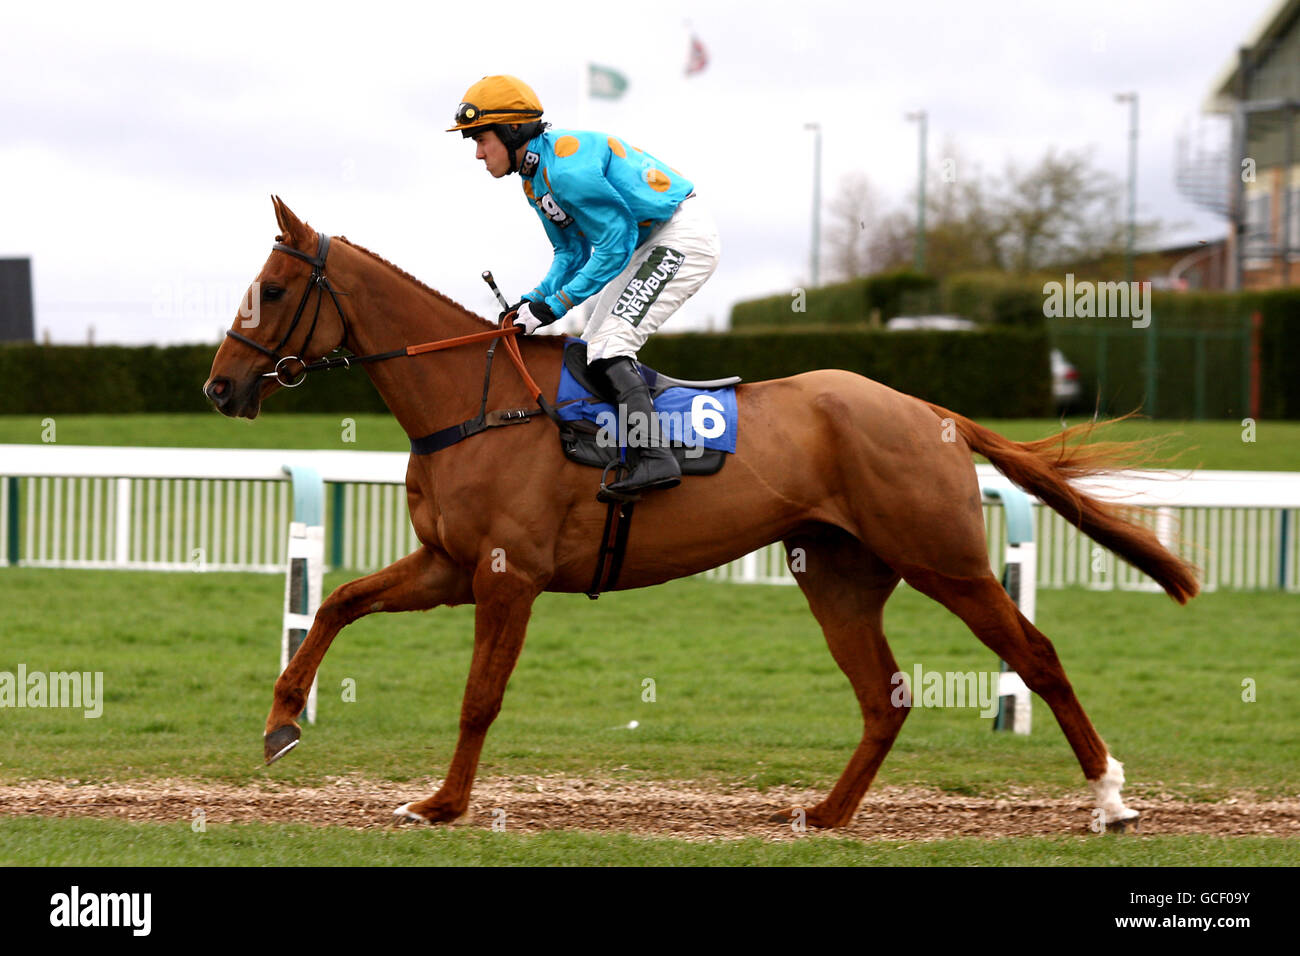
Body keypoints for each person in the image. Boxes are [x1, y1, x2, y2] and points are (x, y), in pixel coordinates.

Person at [448, 74, 721, 495]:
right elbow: (571, 253)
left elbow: (614, 247)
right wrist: (532, 301)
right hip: (647, 243)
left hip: (680, 236)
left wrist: (553, 307)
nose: (479, 153)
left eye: (481, 139)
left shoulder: (568, 170)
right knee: (594, 342)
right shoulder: (533, 177)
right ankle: (620, 443)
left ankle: (656, 457)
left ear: (511, 130)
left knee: (611, 342)